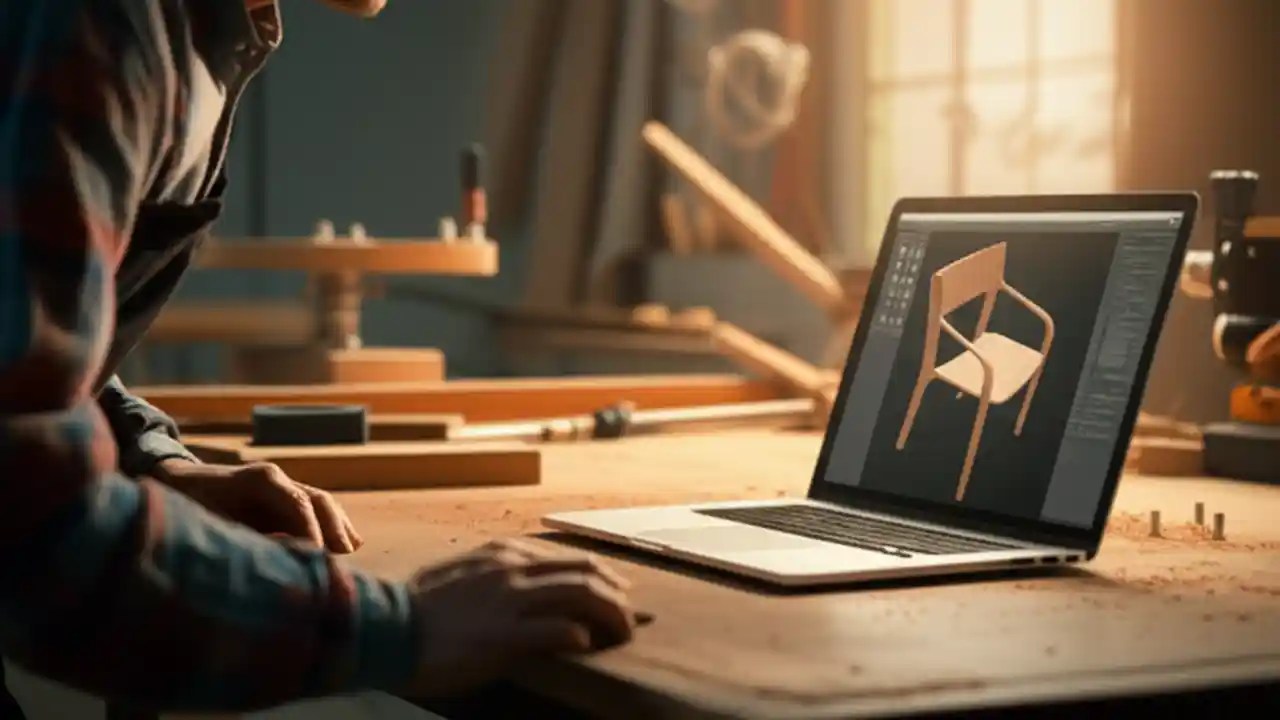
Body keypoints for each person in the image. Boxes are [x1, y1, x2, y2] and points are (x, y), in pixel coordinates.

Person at [0, 0, 635, 714]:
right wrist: (397, 627)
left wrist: (150, 461)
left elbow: (28, 319)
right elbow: (33, 525)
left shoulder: (212, 32)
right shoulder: (99, 23)